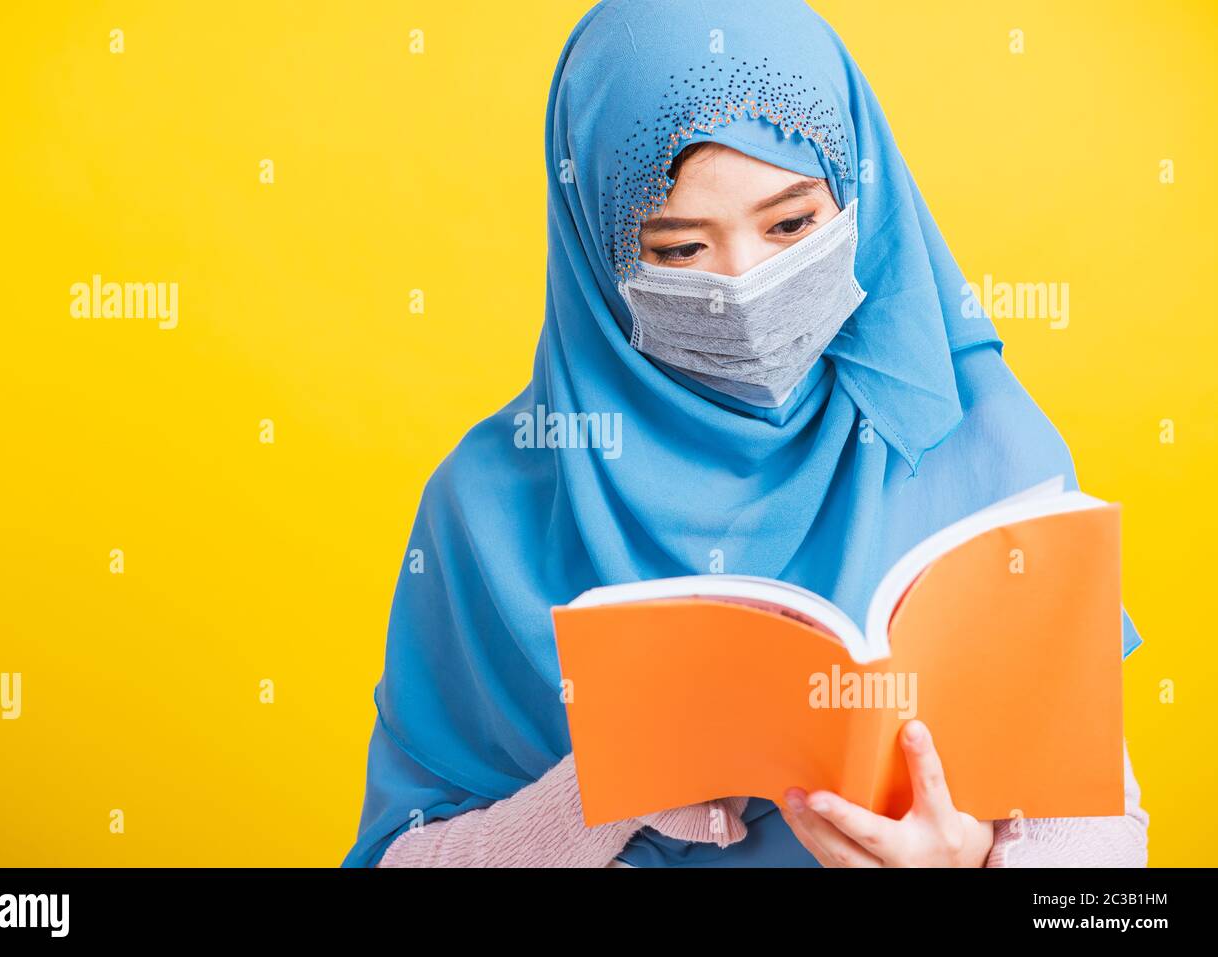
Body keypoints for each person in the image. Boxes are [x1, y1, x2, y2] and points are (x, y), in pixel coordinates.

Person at [342, 0, 1149, 867]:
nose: (745, 284)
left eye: (792, 225)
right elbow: (399, 853)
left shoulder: (986, 446)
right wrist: (606, 789)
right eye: (681, 249)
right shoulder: (487, 504)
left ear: (857, 199)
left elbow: (1103, 850)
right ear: (597, 254)